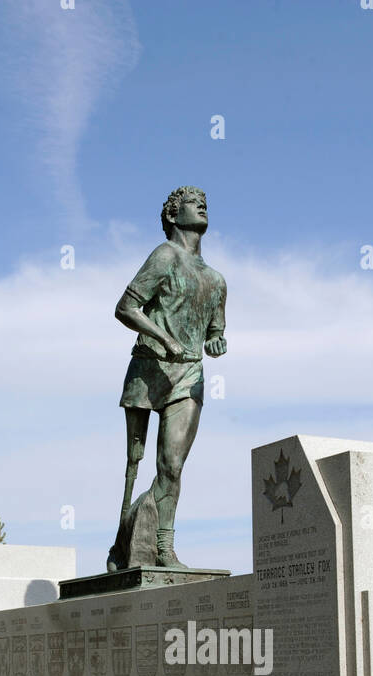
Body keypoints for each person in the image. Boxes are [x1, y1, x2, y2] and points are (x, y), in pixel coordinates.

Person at [107, 186, 227, 571]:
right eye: (194, 203)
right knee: (133, 463)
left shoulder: (217, 280)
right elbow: (126, 307)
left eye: (205, 203)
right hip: (149, 367)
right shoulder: (164, 256)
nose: (202, 206)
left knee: (171, 465)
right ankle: (120, 545)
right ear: (174, 216)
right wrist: (163, 336)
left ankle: (163, 547)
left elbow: (214, 331)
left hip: (189, 373)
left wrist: (216, 340)